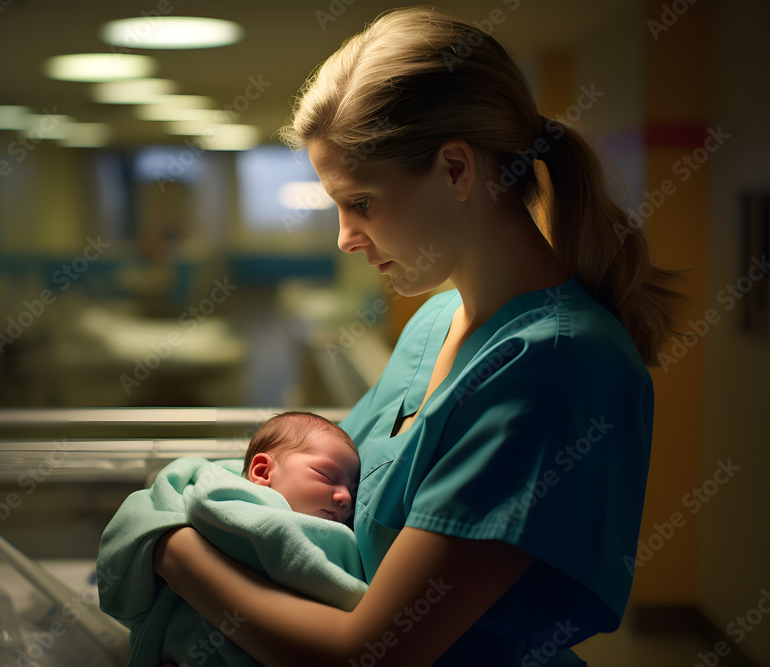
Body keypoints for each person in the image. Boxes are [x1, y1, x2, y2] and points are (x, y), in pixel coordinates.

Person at [152, 6, 686, 667]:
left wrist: (170, 547)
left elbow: (370, 653)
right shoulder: (436, 322)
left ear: (457, 169)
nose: (346, 236)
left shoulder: (554, 363)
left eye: (363, 203)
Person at [96, 412, 364, 666]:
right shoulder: (230, 500)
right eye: (327, 476)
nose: (346, 497)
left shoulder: (324, 531)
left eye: (351, 487)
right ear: (262, 472)